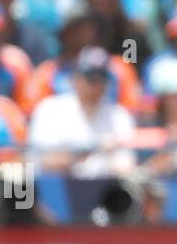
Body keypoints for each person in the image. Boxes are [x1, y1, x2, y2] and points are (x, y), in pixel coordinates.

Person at [29, 46, 137, 178]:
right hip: (58, 191)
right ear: (75, 78)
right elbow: (44, 161)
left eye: (101, 79)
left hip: (104, 191)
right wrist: (94, 149)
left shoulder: (119, 116)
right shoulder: (50, 110)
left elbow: (126, 167)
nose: (95, 86)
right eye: (90, 78)